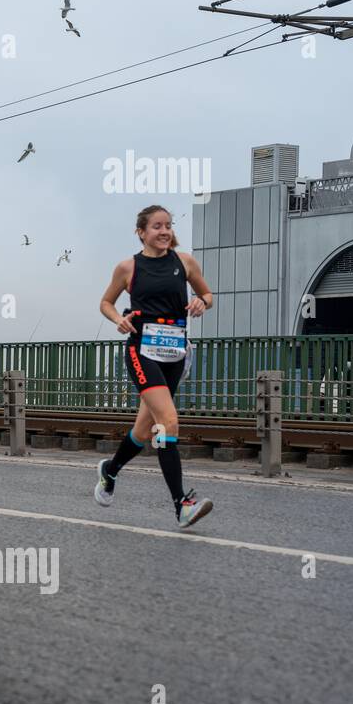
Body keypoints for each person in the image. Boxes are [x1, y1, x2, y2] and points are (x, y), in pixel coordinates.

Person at [95, 205, 215, 528]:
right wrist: (119, 319)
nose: (164, 232)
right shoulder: (128, 267)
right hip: (142, 349)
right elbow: (105, 302)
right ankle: (182, 505)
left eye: (168, 226)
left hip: (175, 353)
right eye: (157, 227)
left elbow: (207, 293)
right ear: (141, 232)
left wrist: (202, 302)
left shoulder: (184, 262)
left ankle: (111, 470)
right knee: (168, 422)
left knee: (144, 430)